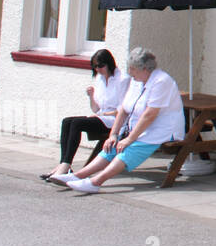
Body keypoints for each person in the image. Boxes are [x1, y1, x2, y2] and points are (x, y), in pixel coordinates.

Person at [52, 48, 185, 193]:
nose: (130, 72)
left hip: (162, 130)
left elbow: (150, 115)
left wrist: (129, 139)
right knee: (112, 145)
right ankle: (77, 176)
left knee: (130, 148)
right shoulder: (137, 80)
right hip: (140, 128)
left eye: (132, 68)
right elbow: (123, 109)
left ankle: (96, 182)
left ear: (145, 69)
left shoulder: (161, 81)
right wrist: (114, 134)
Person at [42, 49, 130, 181]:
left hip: (115, 121)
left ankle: (65, 166)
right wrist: (91, 96)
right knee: (67, 121)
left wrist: (103, 114)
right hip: (101, 117)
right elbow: (96, 109)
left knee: (77, 123)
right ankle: (63, 164)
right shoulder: (100, 79)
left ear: (109, 63)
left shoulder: (122, 79)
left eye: (100, 66)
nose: (98, 69)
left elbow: (124, 110)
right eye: (95, 66)